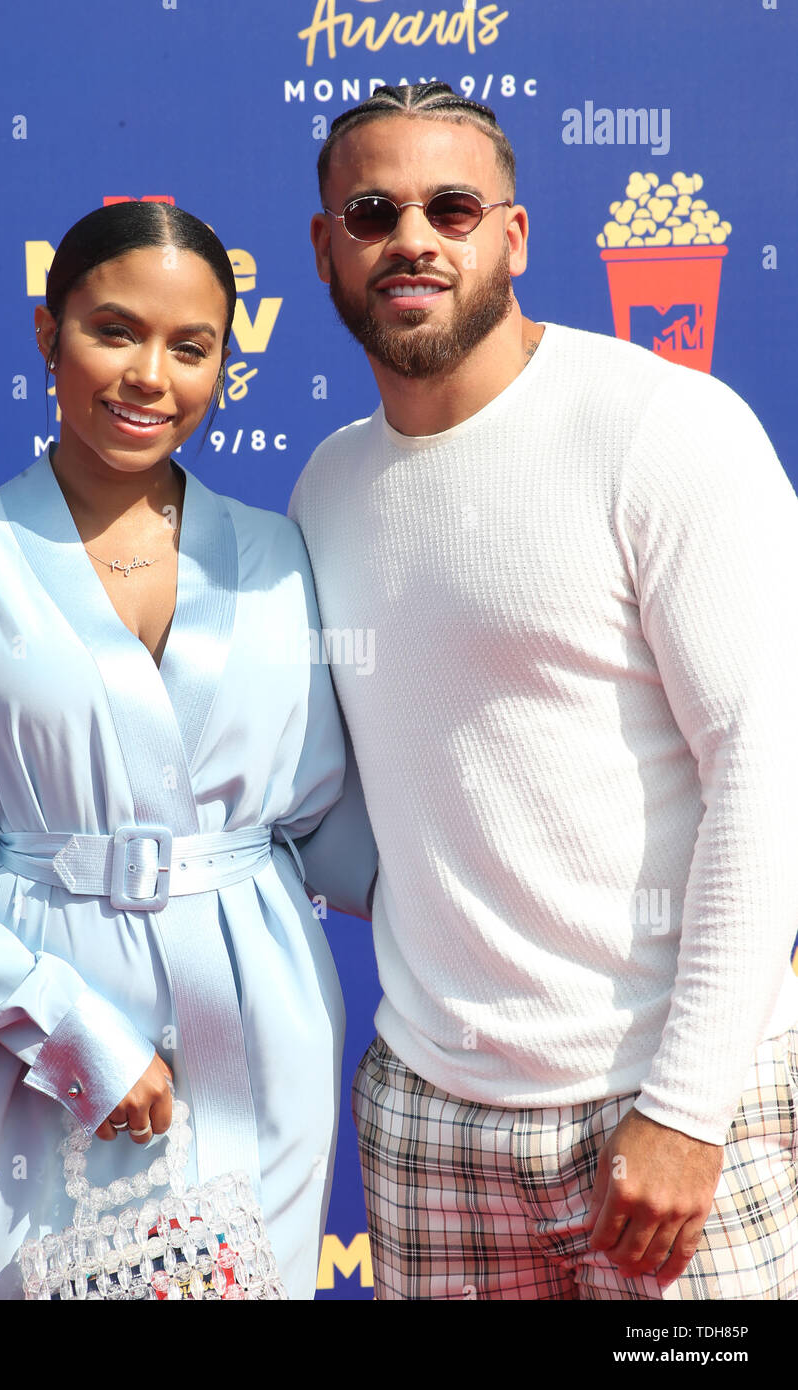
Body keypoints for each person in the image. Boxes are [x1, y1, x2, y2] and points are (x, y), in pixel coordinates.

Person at [289, 82, 798, 1300]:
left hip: (673, 1116)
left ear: (511, 237)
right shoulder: (325, 486)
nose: (414, 236)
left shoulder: (662, 429)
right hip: (430, 1128)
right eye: (373, 210)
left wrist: (686, 1105)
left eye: (452, 207)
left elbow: (766, 767)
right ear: (325, 250)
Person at [0, 200, 360, 1301]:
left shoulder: (278, 556)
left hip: (256, 1023)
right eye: (113, 331)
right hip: (21, 1032)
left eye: (192, 347)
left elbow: (338, 820)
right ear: (48, 333)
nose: (148, 377)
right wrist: (61, 1021)